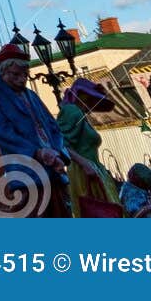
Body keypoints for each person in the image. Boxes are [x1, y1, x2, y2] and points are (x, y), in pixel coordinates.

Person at [0, 43, 70, 217]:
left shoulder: (31, 94)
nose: (22, 79)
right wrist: (36, 152)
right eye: (16, 75)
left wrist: (58, 153)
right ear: (3, 71)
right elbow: (3, 133)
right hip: (26, 171)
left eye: (25, 75)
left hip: (52, 169)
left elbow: (53, 126)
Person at [56, 78, 121, 216]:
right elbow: (60, 143)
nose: (93, 104)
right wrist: (85, 164)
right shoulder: (72, 111)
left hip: (91, 169)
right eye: (91, 99)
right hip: (84, 172)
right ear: (84, 97)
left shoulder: (80, 114)